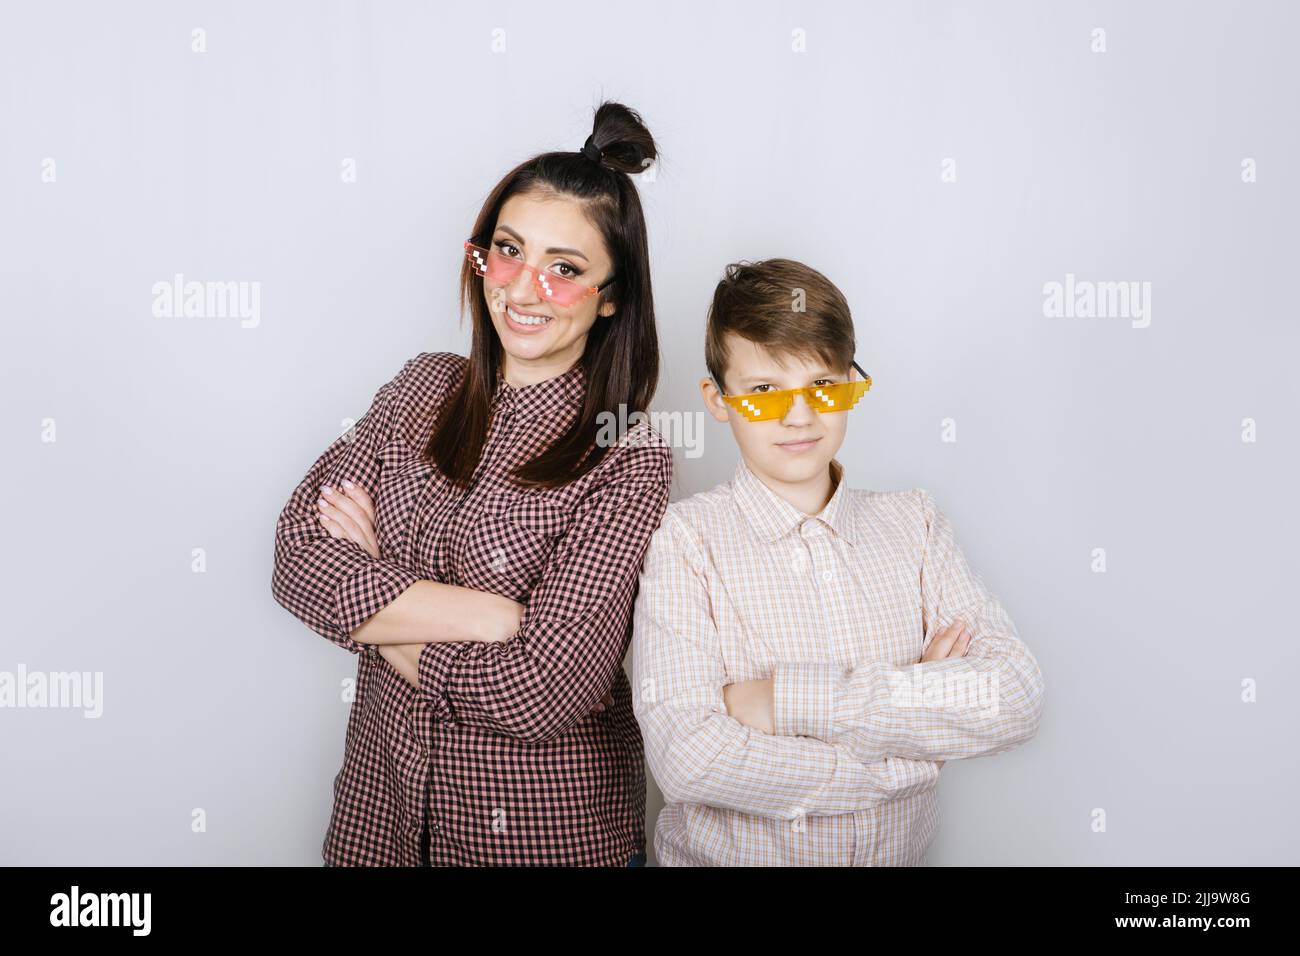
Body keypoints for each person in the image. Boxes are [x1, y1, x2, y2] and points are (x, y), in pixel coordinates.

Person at [272, 101, 672, 866]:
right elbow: (296, 561)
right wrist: (488, 614)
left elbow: (545, 689)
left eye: (566, 269)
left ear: (612, 295)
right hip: (378, 822)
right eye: (508, 251)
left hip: (540, 840)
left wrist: (376, 600)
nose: (523, 290)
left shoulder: (627, 454)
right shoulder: (420, 387)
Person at [631, 258, 1045, 866]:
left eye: (822, 384)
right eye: (764, 392)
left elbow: (1014, 697)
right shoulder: (686, 541)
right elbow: (690, 759)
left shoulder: (915, 523)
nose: (799, 416)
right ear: (718, 401)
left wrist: (783, 702)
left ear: (851, 379)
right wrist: (902, 752)